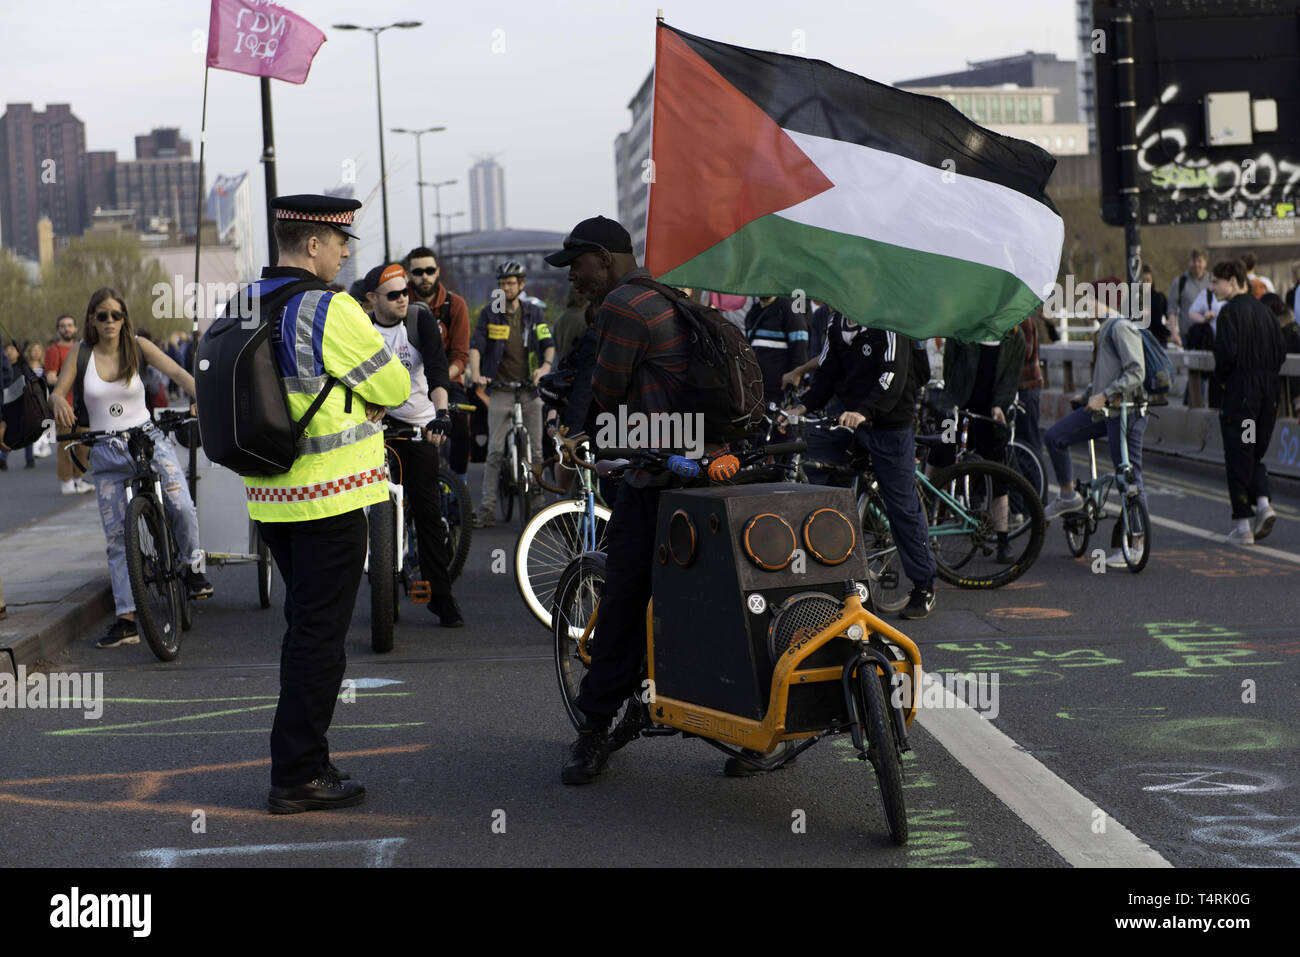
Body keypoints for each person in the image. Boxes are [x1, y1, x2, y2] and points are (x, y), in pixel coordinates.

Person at [233, 194, 410, 814]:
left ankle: (305, 758)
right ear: (312, 244)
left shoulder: (243, 301)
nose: (344, 254)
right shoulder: (329, 308)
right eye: (340, 244)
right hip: (328, 496)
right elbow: (395, 384)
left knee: (305, 628)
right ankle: (298, 774)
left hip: (270, 497)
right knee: (320, 638)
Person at [543, 216, 694, 784]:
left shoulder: (622, 310)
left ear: (604, 258)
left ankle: (593, 732)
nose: (574, 277)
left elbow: (604, 393)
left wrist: (578, 442)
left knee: (623, 602)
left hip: (652, 479)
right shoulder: (671, 296)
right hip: (704, 473)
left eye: (577, 264)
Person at [48, 287, 213, 648]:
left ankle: (193, 568)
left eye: (116, 315)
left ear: (125, 318)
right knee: (116, 539)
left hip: (148, 441)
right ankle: (125, 619)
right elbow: (57, 391)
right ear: (91, 319)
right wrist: (58, 399)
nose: (110, 322)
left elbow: (177, 372)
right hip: (106, 451)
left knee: (181, 504)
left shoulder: (138, 347)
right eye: (102, 315)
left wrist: (203, 396)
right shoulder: (81, 353)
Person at [785, 311, 938, 619]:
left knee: (901, 505)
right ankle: (825, 569)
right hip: (847, 414)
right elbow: (827, 372)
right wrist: (805, 405)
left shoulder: (890, 320)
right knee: (814, 468)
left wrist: (865, 411)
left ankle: (923, 584)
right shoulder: (836, 321)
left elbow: (891, 376)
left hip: (888, 421)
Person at [364, 262, 461, 627]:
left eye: (406, 292)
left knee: (427, 511)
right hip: (373, 426)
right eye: (394, 295)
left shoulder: (420, 322)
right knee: (359, 508)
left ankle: (442, 596)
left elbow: (437, 372)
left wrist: (442, 415)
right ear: (372, 299)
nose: (404, 298)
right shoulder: (360, 330)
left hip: (419, 423)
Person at [1043, 281, 1149, 565]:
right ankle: (1067, 495)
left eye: (1089, 300)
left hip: (1125, 412)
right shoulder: (1106, 329)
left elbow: (1136, 372)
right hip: (1106, 409)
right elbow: (1109, 372)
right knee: (1055, 437)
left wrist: (1105, 394)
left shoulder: (1120, 327)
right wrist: (1090, 393)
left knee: (1129, 476)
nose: (1085, 305)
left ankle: (1135, 544)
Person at [928, 326, 1026, 563]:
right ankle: (924, 519)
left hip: (991, 413)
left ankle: (1003, 539)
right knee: (939, 456)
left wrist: (999, 404)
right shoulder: (965, 326)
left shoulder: (1014, 335)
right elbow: (950, 366)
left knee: (998, 474)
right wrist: (952, 401)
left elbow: (1012, 377)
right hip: (957, 407)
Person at [468, 260, 554, 526]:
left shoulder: (533, 313)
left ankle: (539, 507)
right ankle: (487, 511)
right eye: (503, 283)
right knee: (494, 452)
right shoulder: (489, 314)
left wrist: (545, 367)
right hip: (501, 390)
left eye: (511, 283)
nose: (506, 287)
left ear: (521, 285)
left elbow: (547, 343)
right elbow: (476, 346)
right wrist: (477, 374)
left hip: (529, 390)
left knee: (537, 453)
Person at [1211, 260, 1288, 544]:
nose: (1212, 288)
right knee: (1253, 449)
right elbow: (1281, 353)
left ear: (1232, 281)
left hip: (1242, 396)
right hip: (1268, 396)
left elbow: (1225, 357)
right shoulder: (1267, 313)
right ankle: (1264, 503)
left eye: (1215, 282)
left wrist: (1222, 383)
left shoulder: (1229, 313)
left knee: (1238, 452)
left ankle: (1243, 525)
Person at [405, 246, 472, 483]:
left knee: (461, 425)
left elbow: (461, 356)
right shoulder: (401, 304)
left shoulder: (456, 305)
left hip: (449, 380)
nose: (424, 276)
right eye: (418, 271)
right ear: (409, 275)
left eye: (430, 270)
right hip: (409, 383)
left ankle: (459, 484)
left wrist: (439, 381)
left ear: (438, 272)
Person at [744, 296, 809, 406]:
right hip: (756, 390)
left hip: (780, 392)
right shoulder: (752, 312)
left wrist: (792, 392)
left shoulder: (789, 309)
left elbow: (800, 351)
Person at [1166, 249, 1211, 348]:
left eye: (1200, 261)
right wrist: (1174, 333)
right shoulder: (1180, 282)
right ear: (1190, 262)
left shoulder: (1212, 282)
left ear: (1205, 263)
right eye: (1194, 261)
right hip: (1186, 337)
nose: (1196, 264)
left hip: (1209, 336)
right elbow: (1171, 310)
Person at [1141, 265, 1170, 348]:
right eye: (1143, 280)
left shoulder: (1160, 297)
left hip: (1159, 339)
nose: (1146, 283)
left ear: (1152, 280)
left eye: (1148, 280)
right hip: (1142, 338)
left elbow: (1167, 316)